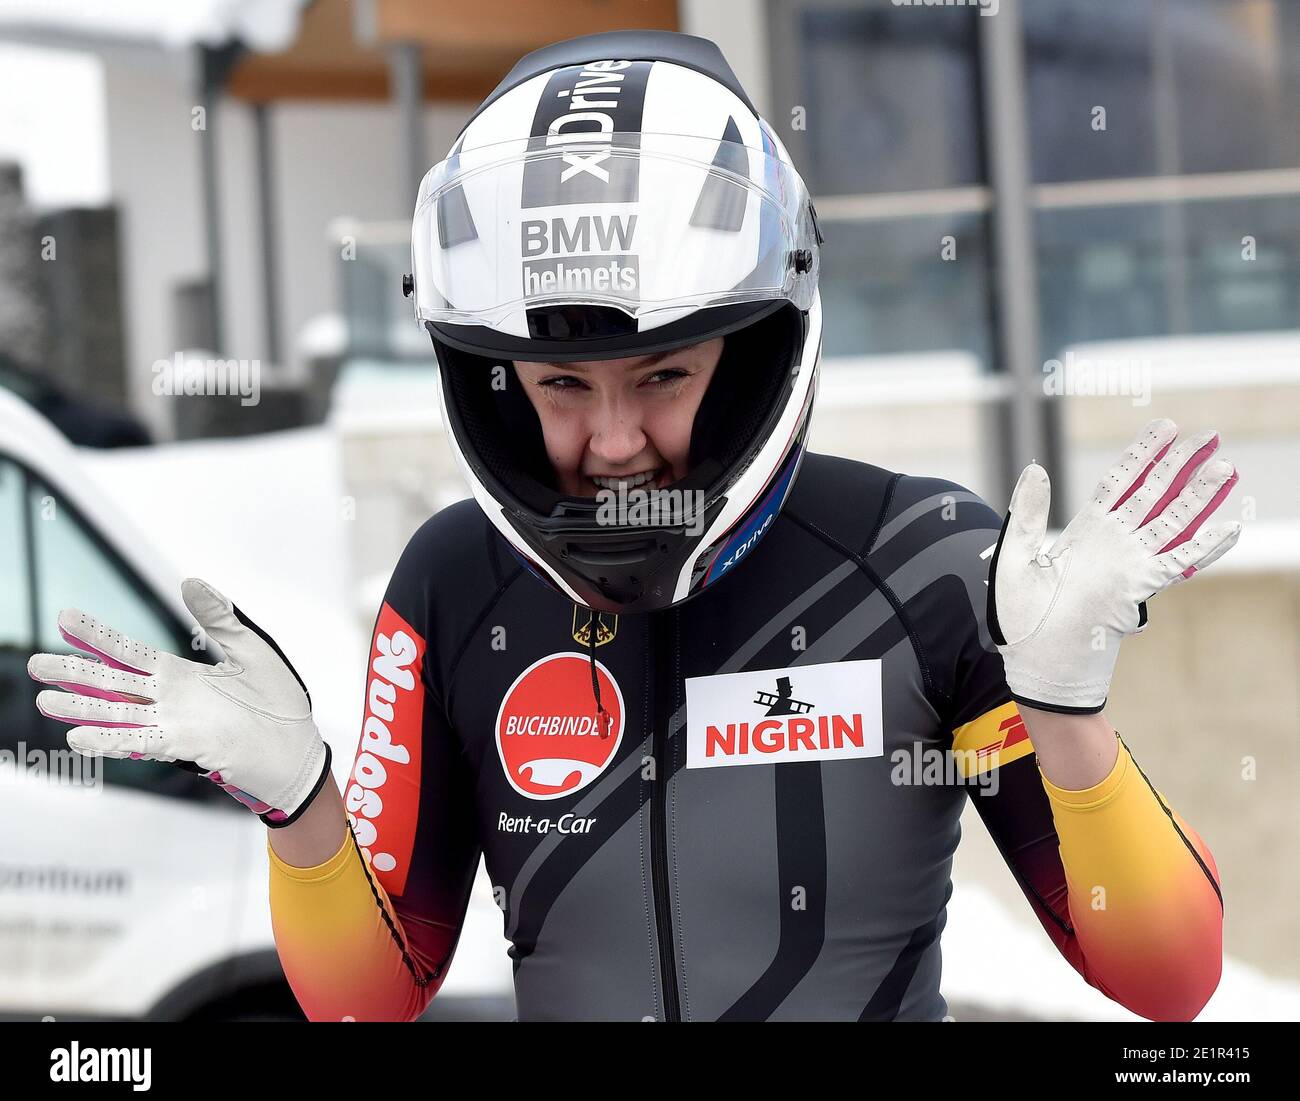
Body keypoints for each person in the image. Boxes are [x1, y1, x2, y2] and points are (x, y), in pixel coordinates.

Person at [29, 30, 1240, 1022]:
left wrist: (1065, 717)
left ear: (759, 349)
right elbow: (367, 1000)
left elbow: (1166, 980)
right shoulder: (456, 585)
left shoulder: (918, 563)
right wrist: (300, 807)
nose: (612, 439)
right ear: (494, 380)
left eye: (663, 376)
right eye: (563, 388)